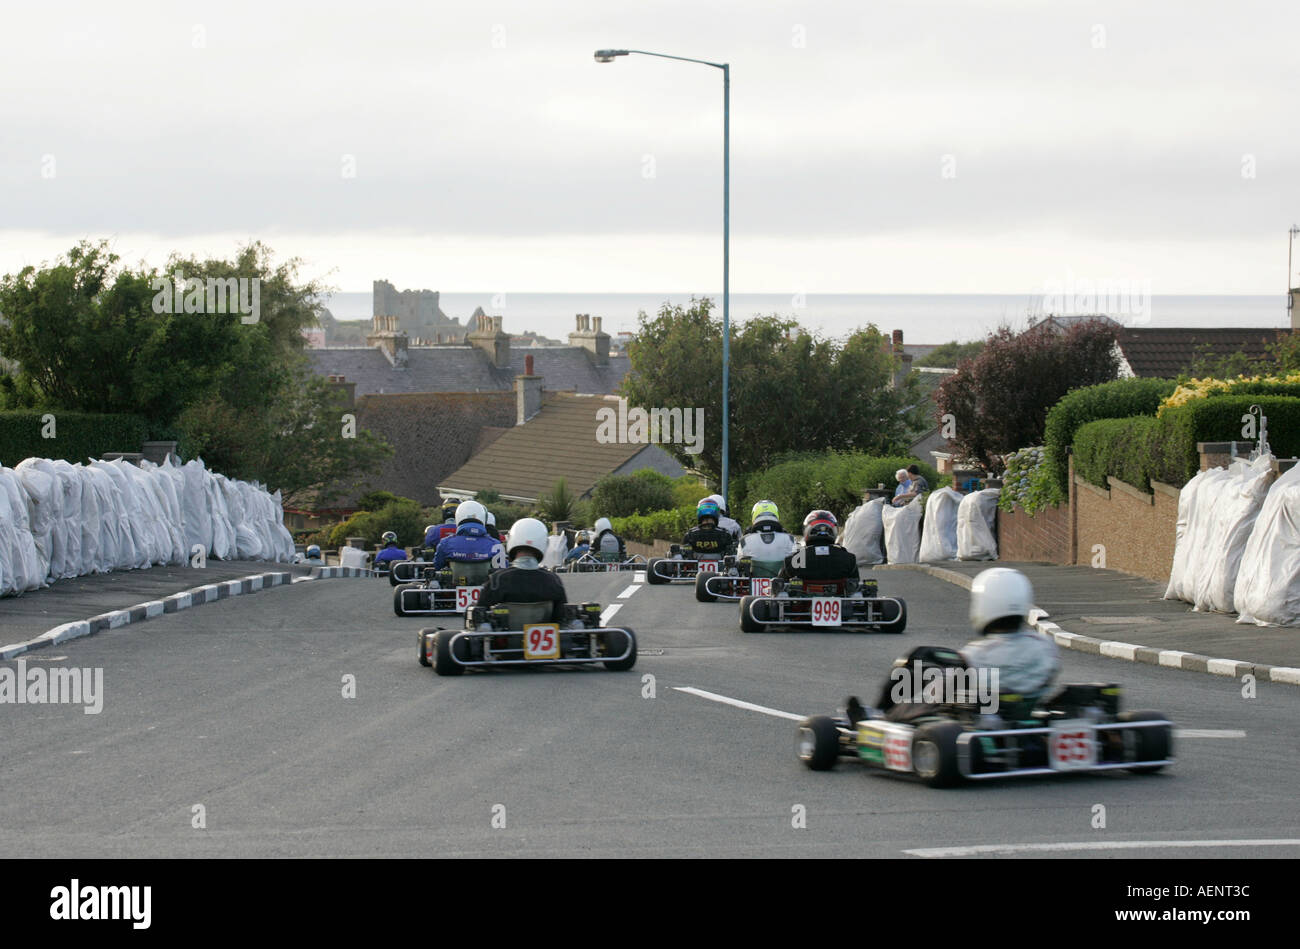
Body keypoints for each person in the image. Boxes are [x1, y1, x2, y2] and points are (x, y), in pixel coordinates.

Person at [855, 567, 1060, 724]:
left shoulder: (978, 654)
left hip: (980, 718)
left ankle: (880, 716)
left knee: (916, 663)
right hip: (1025, 716)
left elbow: (947, 687)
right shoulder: (1045, 647)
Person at [476, 517, 568, 622]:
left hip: (507, 637)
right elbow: (562, 618)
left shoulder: (497, 581)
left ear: (512, 540)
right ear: (544, 543)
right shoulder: (554, 581)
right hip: (544, 637)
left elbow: (480, 615)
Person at [779, 511, 858, 581]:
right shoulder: (849, 559)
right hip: (839, 596)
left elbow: (779, 586)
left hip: (803, 596)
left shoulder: (794, 560)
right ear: (833, 530)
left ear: (807, 530)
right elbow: (855, 585)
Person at [433, 500, 505, 570]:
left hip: (453, 582)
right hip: (486, 581)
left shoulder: (445, 543)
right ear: (483, 518)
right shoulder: (496, 545)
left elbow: (437, 566)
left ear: (458, 517)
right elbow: (501, 572)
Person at [738, 500, 797, 577]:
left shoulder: (744, 541)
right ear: (776, 514)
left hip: (750, 586)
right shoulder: (790, 540)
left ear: (754, 515)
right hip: (783, 586)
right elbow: (798, 565)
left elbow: (739, 566)